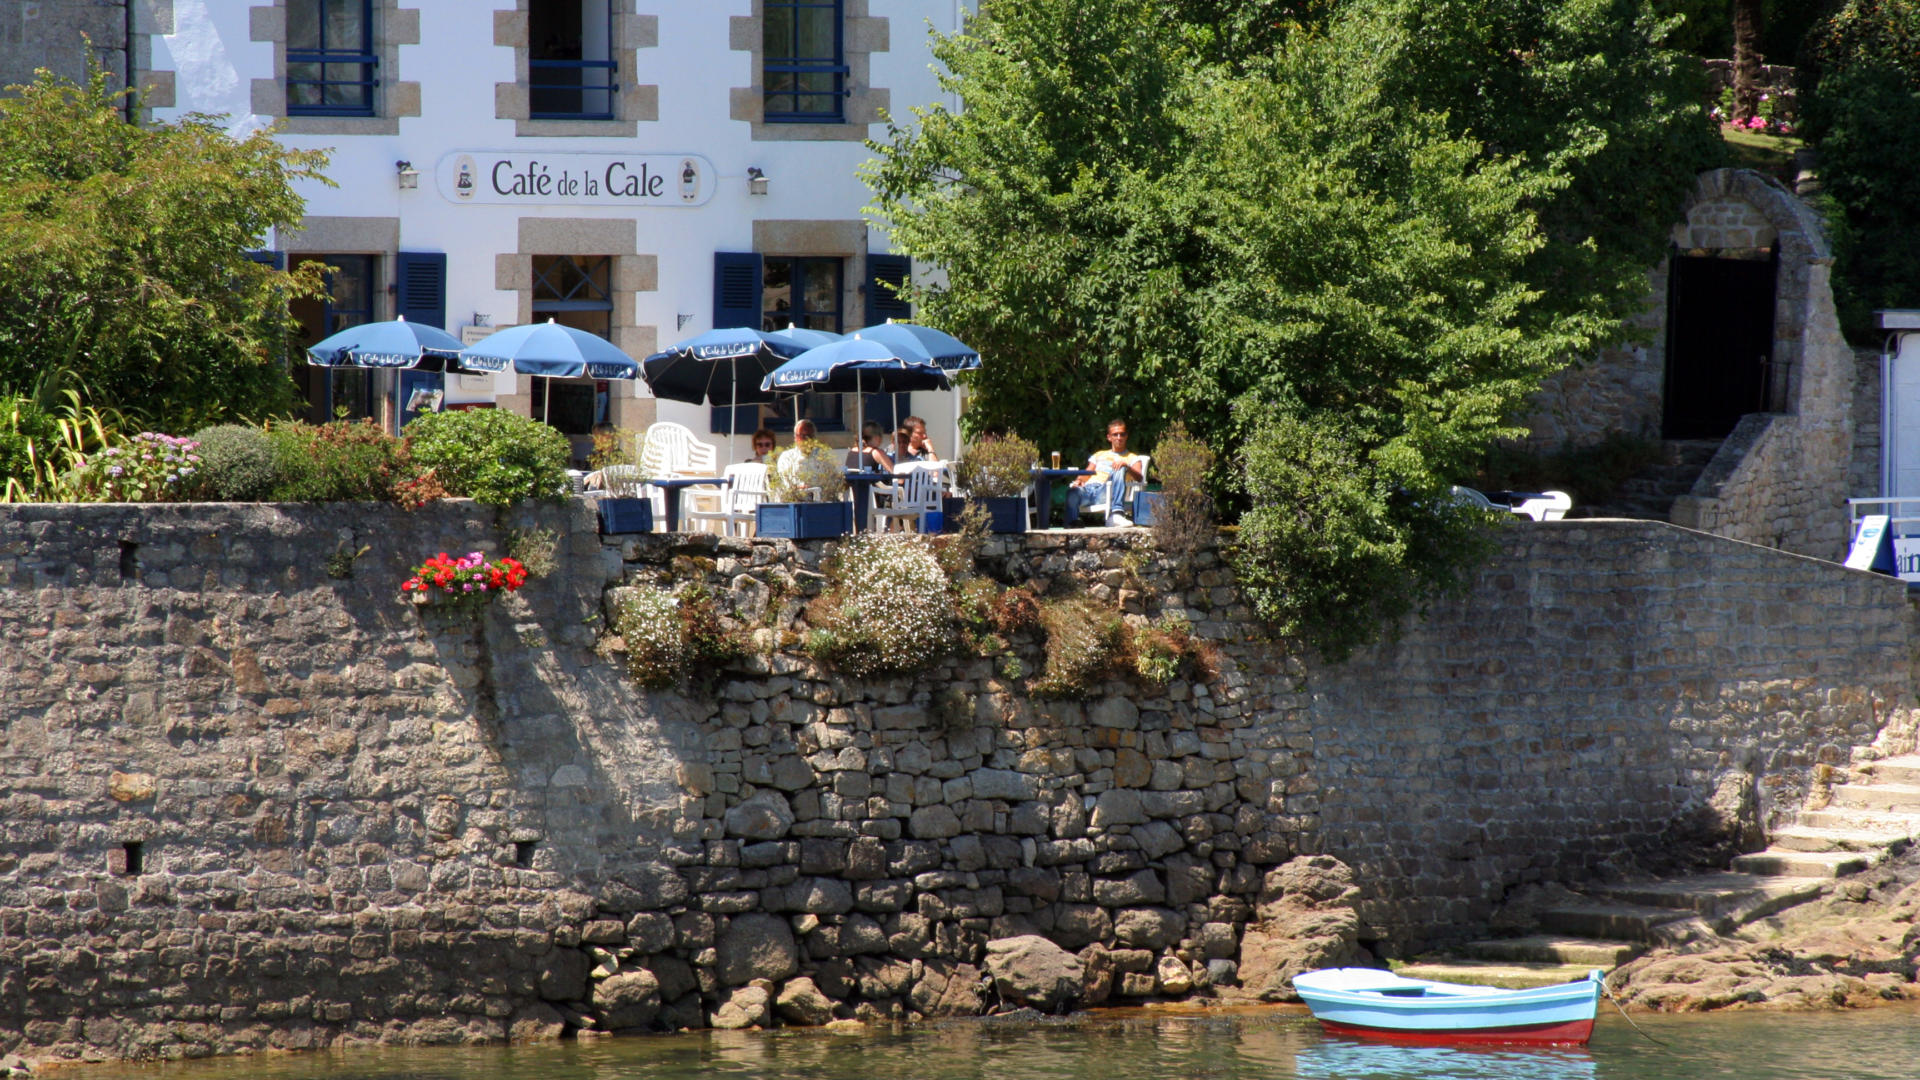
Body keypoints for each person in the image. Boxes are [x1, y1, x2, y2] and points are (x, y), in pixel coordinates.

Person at [1066, 418, 1147, 526]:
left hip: (1106, 491)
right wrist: (1079, 480)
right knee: (1072, 492)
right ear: (1109, 437)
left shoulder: (1132, 458)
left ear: (1126, 436)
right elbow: (1088, 472)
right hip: (1089, 490)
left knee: (1120, 467)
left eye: (1122, 434)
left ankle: (1116, 514)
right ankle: (1072, 524)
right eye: (1115, 434)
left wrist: (1126, 466)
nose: (1119, 437)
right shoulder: (1099, 454)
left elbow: (1140, 478)